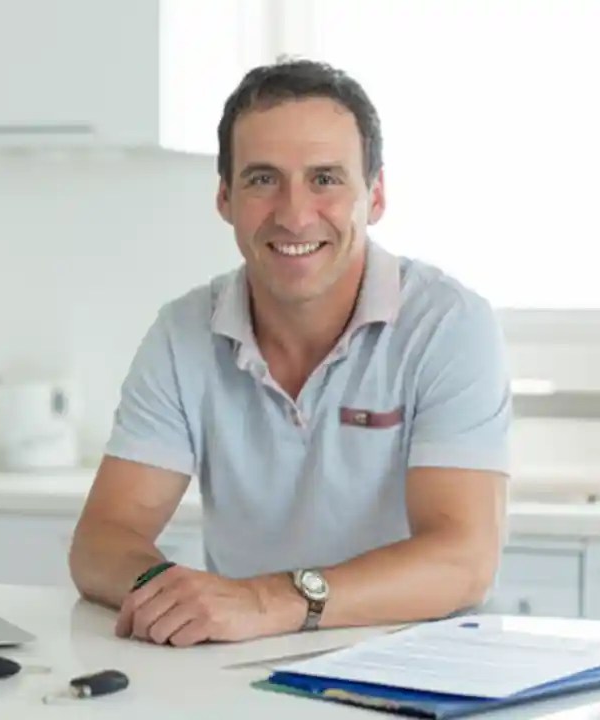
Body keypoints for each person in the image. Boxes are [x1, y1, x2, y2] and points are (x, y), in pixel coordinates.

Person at [68, 59, 511, 648]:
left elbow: (463, 560)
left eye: (325, 179)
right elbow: (102, 540)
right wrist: (169, 592)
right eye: (262, 179)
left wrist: (265, 601)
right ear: (225, 197)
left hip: (418, 665)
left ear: (375, 196)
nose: (295, 215)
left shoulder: (448, 324)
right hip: (237, 662)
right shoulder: (184, 332)